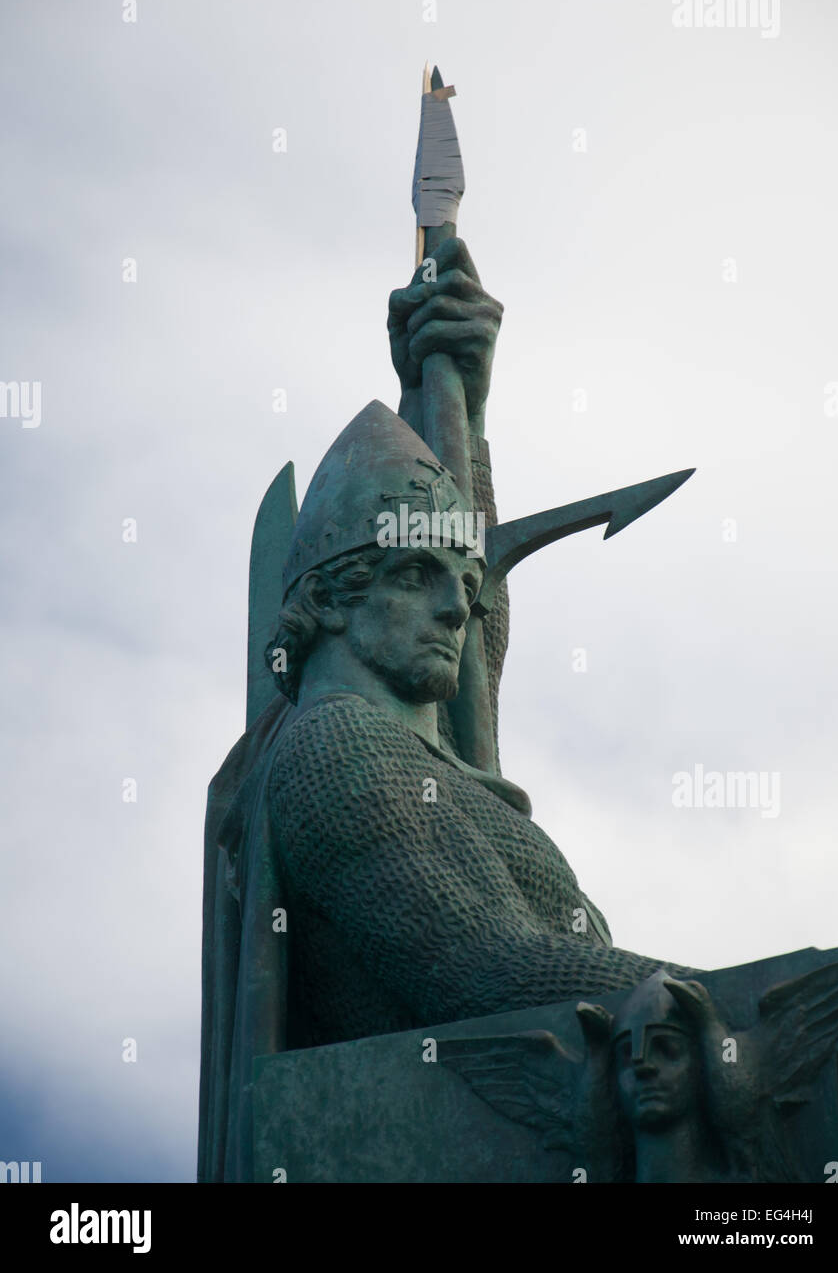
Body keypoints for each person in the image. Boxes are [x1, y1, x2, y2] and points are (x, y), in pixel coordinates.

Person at [197, 239, 698, 1182]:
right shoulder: (338, 753)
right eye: (416, 576)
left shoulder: (438, 759)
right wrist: (725, 1008)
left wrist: (461, 394)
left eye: (463, 586)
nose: (453, 608)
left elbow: (477, 626)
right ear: (335, 596)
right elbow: (490, 975)